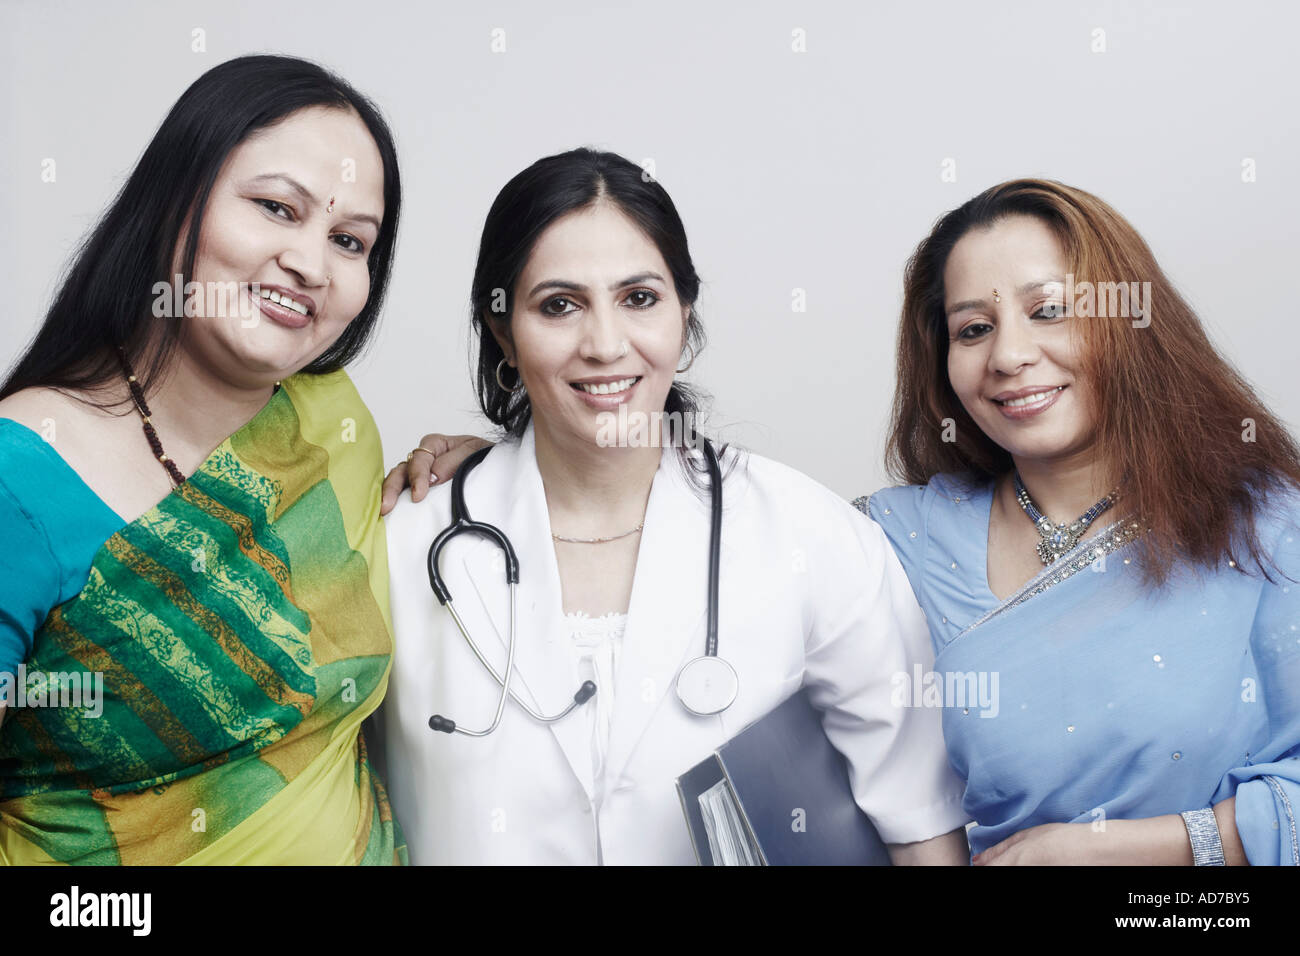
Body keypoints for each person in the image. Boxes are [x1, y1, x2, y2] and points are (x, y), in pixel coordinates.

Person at [379, 148, 970, 865]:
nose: (604, 344)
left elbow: (922, 832)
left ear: (684, 318)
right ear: (503, 332)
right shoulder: (402, 544)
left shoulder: (809, 535)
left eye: (639, 299)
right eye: (559, 305)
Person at [0, 55, 406, 864]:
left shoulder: (332, 427)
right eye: (275, 208)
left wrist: (479, 459)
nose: (310, 263)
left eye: (349, 240)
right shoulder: (22, 476)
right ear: (173, 201)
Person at [860, 179, 1300, 865]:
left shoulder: (1262, 526)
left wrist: (1110, 851)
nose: (1008, 356)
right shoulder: (899, 542)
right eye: (974, 328)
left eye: (1050, 311)